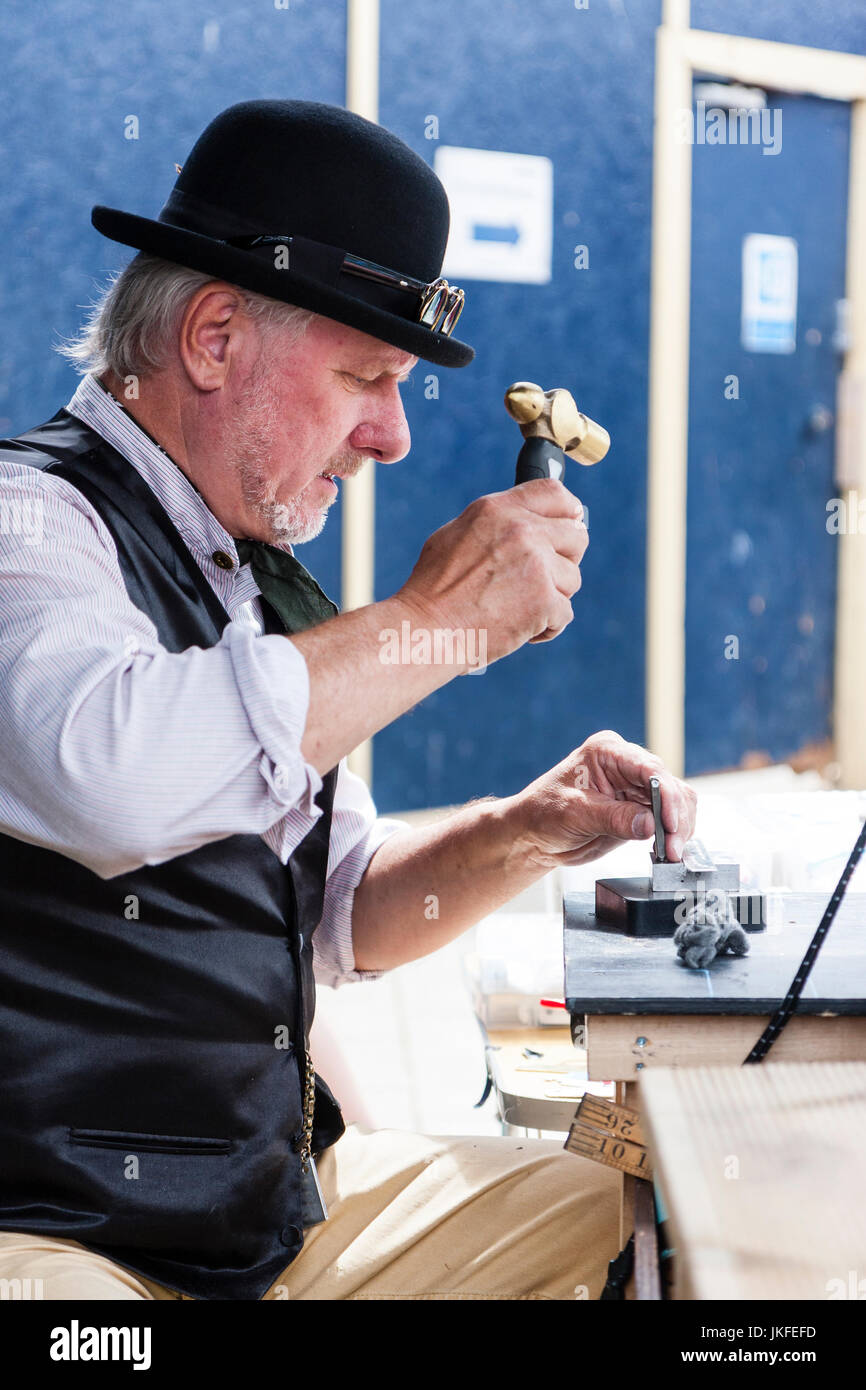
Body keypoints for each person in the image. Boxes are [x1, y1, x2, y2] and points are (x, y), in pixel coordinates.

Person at [0, 99, 696, 1301]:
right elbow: (112, 773)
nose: (391, 436)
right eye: (367, 377)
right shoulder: (30, 525)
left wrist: (525, 827)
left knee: (647, 1209)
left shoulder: (255, 583)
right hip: (57, 1238)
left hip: (265, 1221)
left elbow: (337, 910)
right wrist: (434, 618)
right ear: (213, 336)